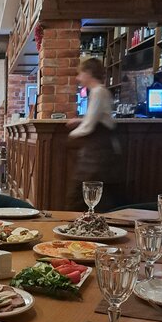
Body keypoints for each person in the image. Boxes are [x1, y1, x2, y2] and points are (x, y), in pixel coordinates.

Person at [65, 57, 121, 212]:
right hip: (100, 152)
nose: (78, 78)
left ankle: (76, 224)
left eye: (80, 73)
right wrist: (79, 121)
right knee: (94, 196)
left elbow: (89, 126)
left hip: (98, 153)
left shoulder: (98, 92)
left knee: (79, 195)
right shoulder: (100, 92)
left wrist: (70, 136)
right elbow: (96, 119)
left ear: (89, 73)